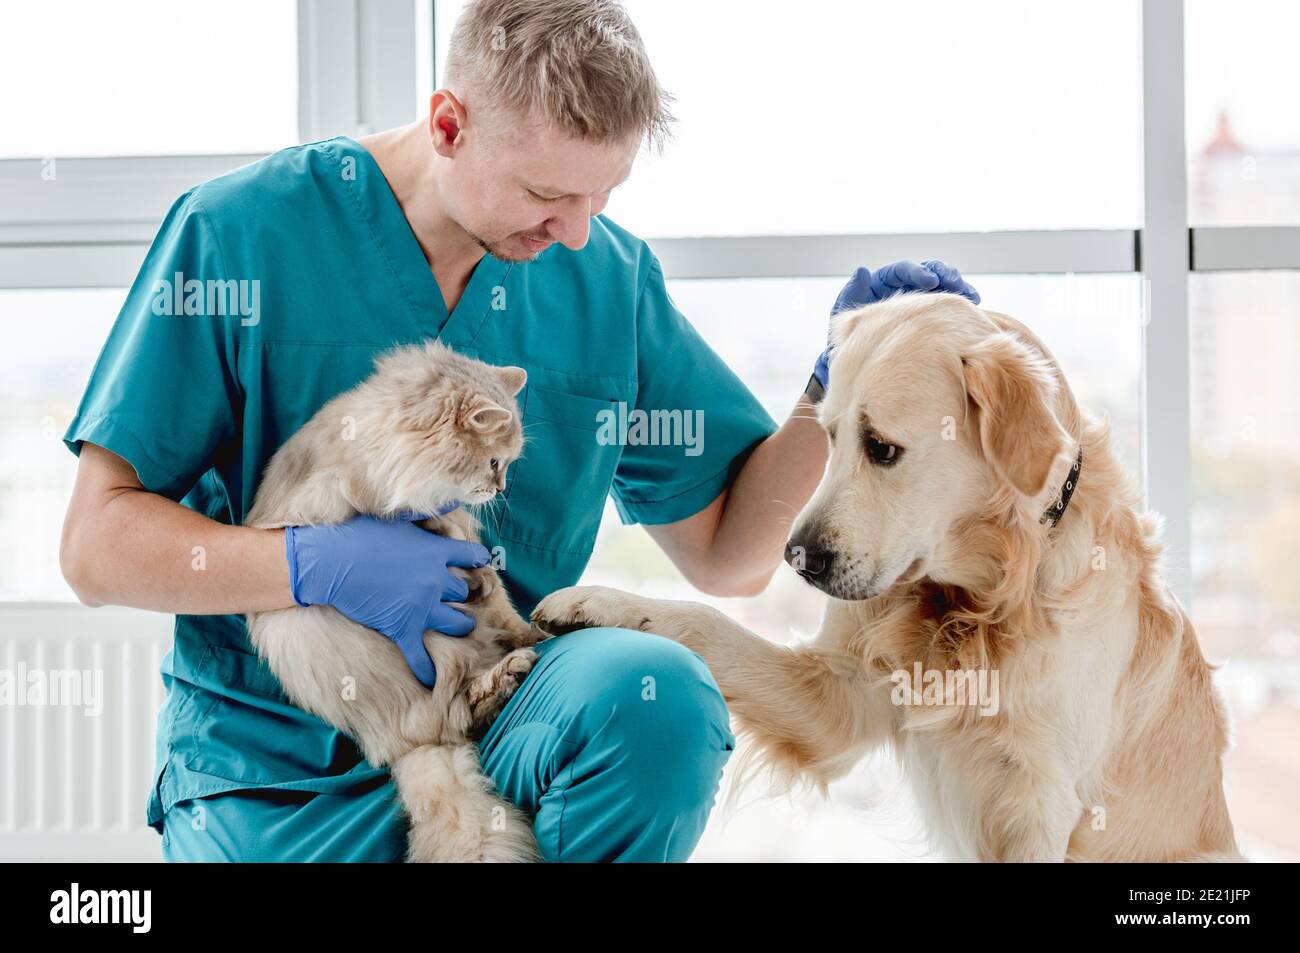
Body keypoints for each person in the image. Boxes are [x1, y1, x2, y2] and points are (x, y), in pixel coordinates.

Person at [59, 0, 976, 862]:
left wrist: (833, 383)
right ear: (449, 124)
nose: (575, 234)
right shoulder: (241, 237)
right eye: (547, 193)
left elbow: (730, 552)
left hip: (502, 723)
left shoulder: (606, 282)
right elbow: (95, 547)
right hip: (268, 780)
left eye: (602, 195)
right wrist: (309, 563)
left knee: (656, 703)